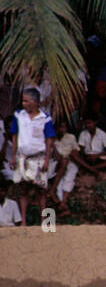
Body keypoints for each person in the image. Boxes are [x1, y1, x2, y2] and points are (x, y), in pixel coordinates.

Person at [6, 87, 55, 226]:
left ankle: (44, 220)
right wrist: (14, 157)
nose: (23, 103)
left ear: (35, 102)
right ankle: (24, 221)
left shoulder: (45, 118)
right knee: (23, 189)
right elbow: (14, 136)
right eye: (23, 101)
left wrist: (47, 160)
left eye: (26, 101)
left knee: (41, 190)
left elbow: (49, 140)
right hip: (22, 157)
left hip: (39, 158)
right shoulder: (18, 116)